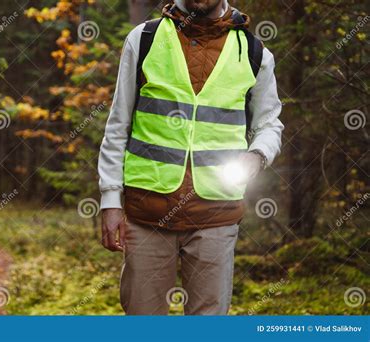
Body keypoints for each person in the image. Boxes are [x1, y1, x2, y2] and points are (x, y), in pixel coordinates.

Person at [98, 0, 284, 315]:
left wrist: (256, 156)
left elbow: (269, 125)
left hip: (216, 216)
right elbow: (118, 125)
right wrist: (110, 200)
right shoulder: (143, 39)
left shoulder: (255, 54)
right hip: (148, 215)